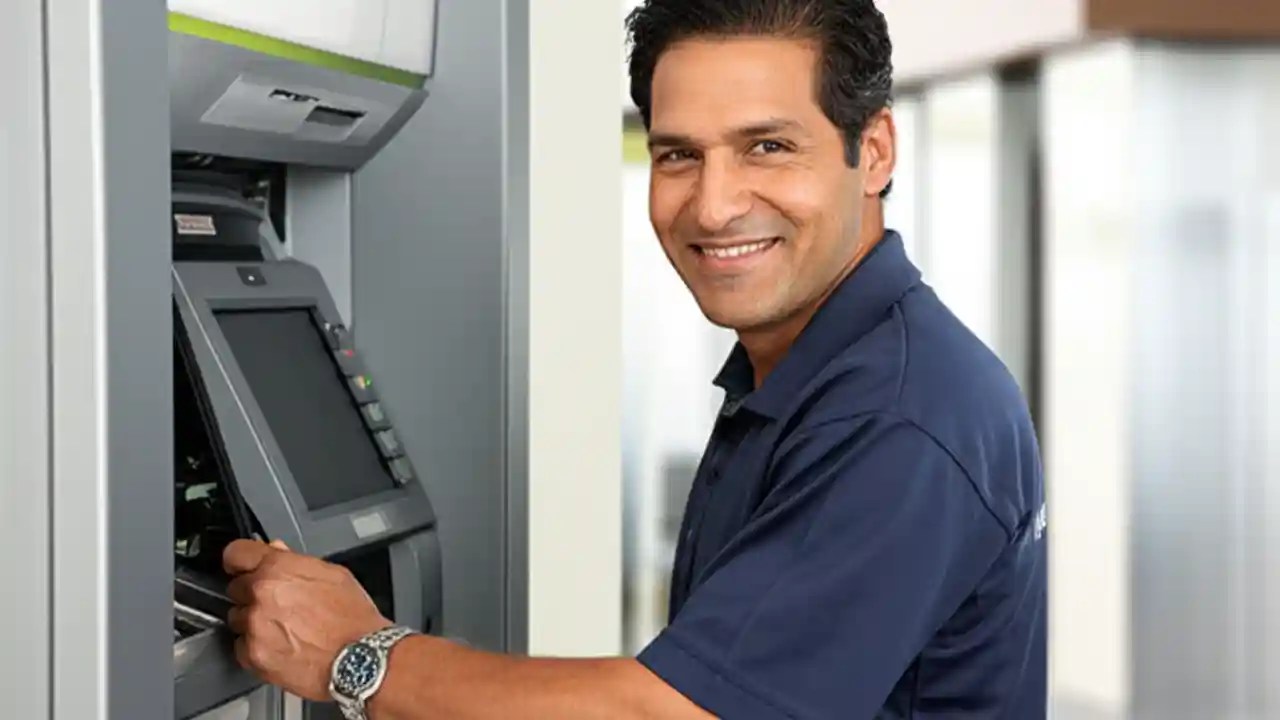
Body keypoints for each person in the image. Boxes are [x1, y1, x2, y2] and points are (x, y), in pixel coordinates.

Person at [221, 0, 1048, 717]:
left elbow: (681, 713)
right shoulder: (813, 371)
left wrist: (356, 657)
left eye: (767, 148)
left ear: (872, 153)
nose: (716, 205)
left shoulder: (899, 416)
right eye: (679, 154)